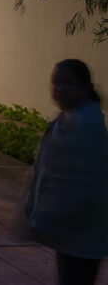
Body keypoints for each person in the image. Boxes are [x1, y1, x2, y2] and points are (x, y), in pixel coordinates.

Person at [25, 59, 108, 285]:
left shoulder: (85, 126)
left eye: (67, 83)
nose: (60, 88)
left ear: (85, 88)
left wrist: (45, 218)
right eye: (56, 82)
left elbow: (82, 183)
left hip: (81, 233)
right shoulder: (68, 119)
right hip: (70, 232)